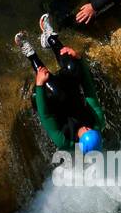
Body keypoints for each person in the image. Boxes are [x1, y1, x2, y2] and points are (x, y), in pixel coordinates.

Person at [15, 22, 104, 153]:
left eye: (86, 131)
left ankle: (29, 53)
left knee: (56, 91)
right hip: (68, 95)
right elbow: (89, 90)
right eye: (91, 130)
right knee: (73, 67)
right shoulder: (97, 122)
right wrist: (79, 59)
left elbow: (45, 116)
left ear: (80, 141)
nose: (87, 128)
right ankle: (50, 39)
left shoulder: (64, 141)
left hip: (49, 101)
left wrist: (39, 85)